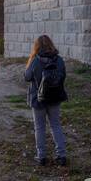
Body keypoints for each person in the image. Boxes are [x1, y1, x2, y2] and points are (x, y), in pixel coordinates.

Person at [24, 35, 68, 166]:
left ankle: (41, 156)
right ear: (51, 44)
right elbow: (63, 76)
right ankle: (61, 155)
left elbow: (27, 77)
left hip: (38, 99)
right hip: (55, 97)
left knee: (39, 128)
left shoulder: (35, 61)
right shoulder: (59, 60)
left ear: (36, 46)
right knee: (56, 125)